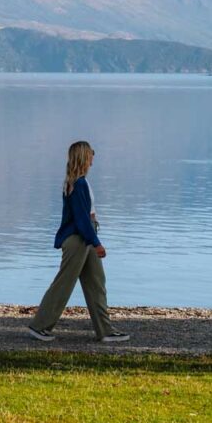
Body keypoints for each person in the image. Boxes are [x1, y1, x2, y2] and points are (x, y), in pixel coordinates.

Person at [26, 140, 130, 343]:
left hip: (85, 237)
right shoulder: (77, 184)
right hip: (78, 239)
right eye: (91, 153)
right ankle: (39, 326)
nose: (93, 158)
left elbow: (86, 217)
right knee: (64, 283)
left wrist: (92, 238)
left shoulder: (79, 182)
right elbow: (82, 219)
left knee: (96, 283)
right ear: (83, 156)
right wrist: (96, 242)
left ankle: (105, 330)